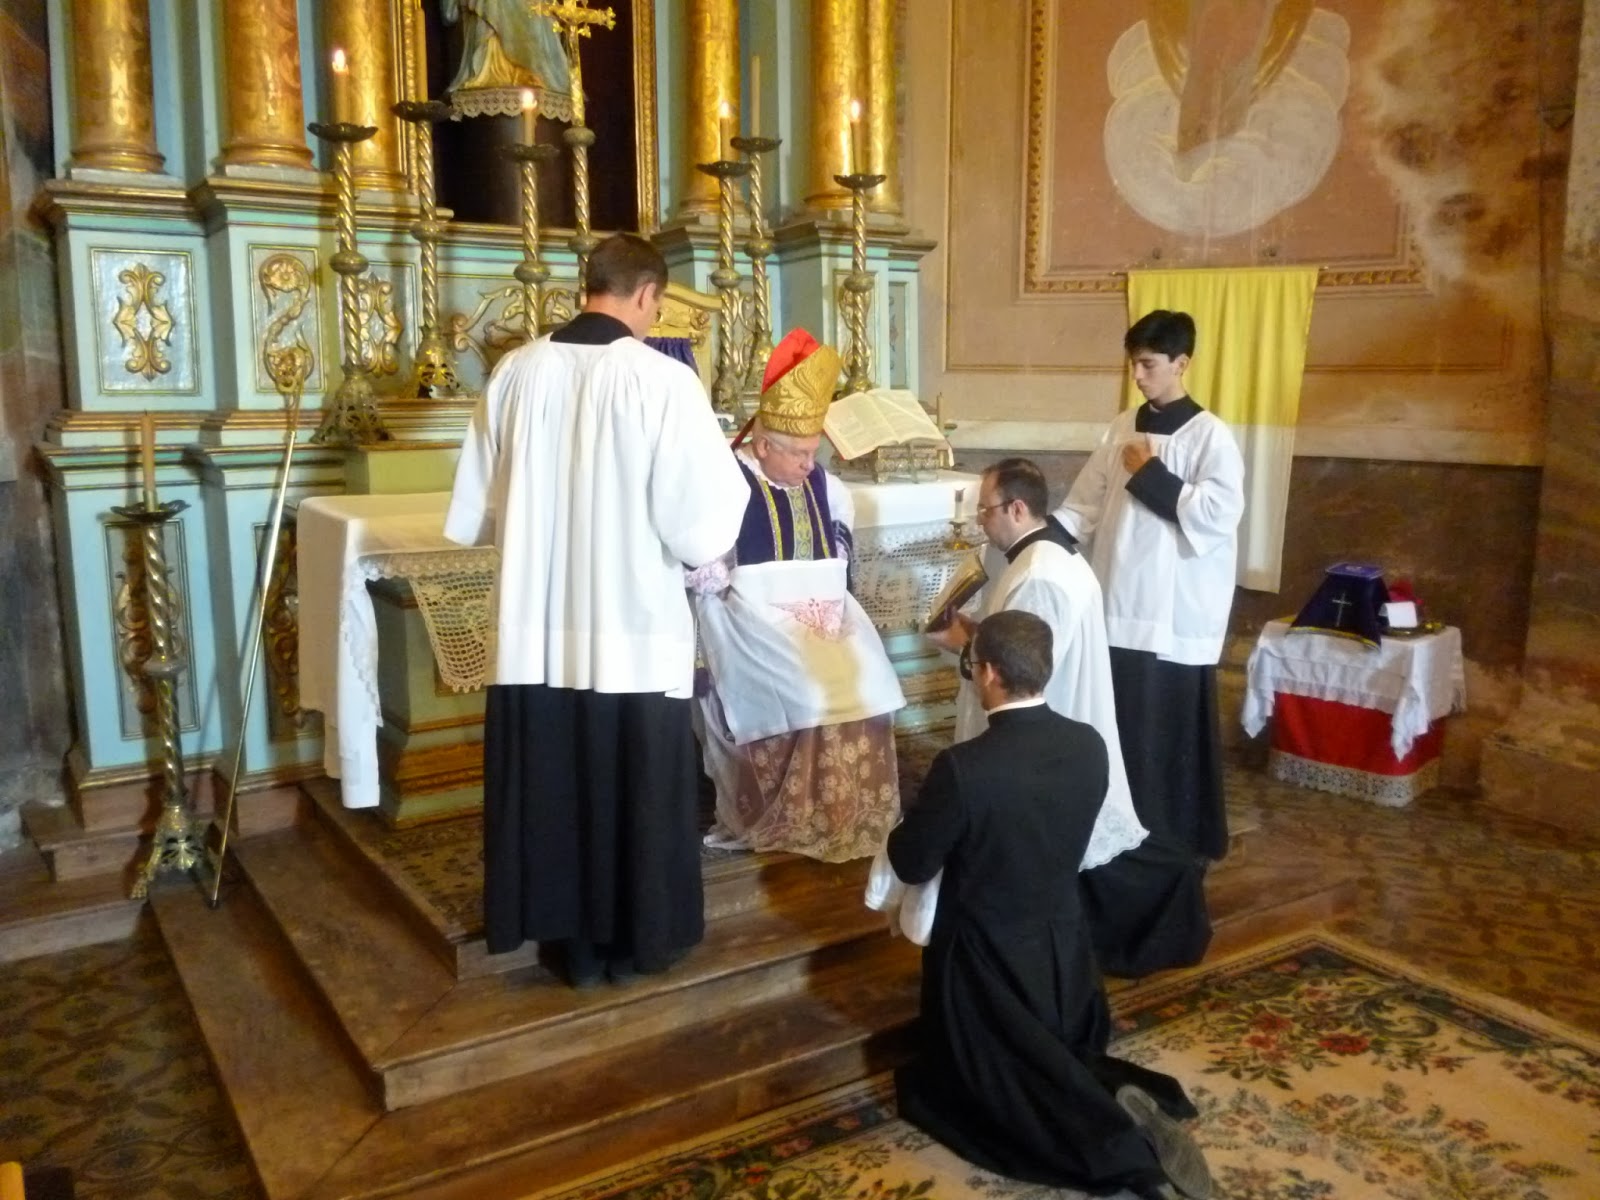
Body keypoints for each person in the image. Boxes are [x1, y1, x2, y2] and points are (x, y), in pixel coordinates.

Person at [443, 233, 749, 986]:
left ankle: (563, 944)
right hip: (631, 630)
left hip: (535, 634)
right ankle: (637, 941)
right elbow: (700, 522)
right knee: (632, 787)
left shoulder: (515, 371)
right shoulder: (662, 381)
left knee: (553, 786)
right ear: (648, 295)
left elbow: (480, 507)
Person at [889, 610, 1212, 1200]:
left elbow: (912, 863)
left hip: (983, 962)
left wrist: (909, 817)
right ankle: (1112, 1108)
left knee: (976, 1094)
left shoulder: (963, 767)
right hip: (1063, 952)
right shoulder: (1086, 745)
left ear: (985, 673)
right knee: (1051, 1063)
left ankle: (1124, 1150)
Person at [933, 457, 1210, 976]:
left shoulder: (1038, 574)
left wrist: (962, 647)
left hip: (1047, 735)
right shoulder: (1045, 558)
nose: (981, 522)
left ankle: (1169, 907)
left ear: (1017, 508)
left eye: (986, 510)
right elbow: (1021, 643)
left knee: (1089, 856)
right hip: (1060, 731)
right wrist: (977, 632)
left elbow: (1025, 672)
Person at [691, 330, 905, 862]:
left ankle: (849, 812)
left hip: (818, 612)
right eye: (799, 454)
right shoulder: (727, 478)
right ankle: (788, 815)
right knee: (808, 693)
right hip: (746, 614)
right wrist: (718, 570)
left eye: (813, 452)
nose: (810, 464)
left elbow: (840, 540)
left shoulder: (823, 484)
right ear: (763, 446)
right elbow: (700, 557)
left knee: (872, 680)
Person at [1055, 310, 1245, 861]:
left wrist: (1151, 474)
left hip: (1171, 611)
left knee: (1164, 726)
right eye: (1134, 363)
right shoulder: (1121, 427)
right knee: (1119, 721)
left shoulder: (1209, 435)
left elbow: (1217, 515)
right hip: (1116, 599)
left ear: (1181, 363)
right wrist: (1042, 538)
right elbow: (1085, 503)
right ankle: (1116, 826)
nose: (1138, 375)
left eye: (1149, 364)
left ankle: (1172, 831)